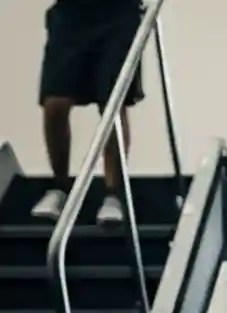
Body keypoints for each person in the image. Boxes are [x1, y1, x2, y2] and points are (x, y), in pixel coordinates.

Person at [31, 0, 145, 226]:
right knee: (55, 102)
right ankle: (60, 187)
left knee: (112, 102)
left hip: (119, 14)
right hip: (70, 12)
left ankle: (113, 194)